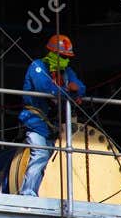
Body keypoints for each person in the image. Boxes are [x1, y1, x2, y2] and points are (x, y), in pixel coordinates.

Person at [18, 33, 86, 196]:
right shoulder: (37, 66)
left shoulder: (66, 71)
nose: (66, 60)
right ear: (52, 54)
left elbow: (81, 88)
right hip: (35, 121)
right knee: (40, 154)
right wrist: (69, 91)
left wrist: (74, 90)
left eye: (67, 57)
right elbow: (46, 89)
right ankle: (27, 194)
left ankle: (34, 191)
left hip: (53, 124)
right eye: (62, 56)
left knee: (47, 157)